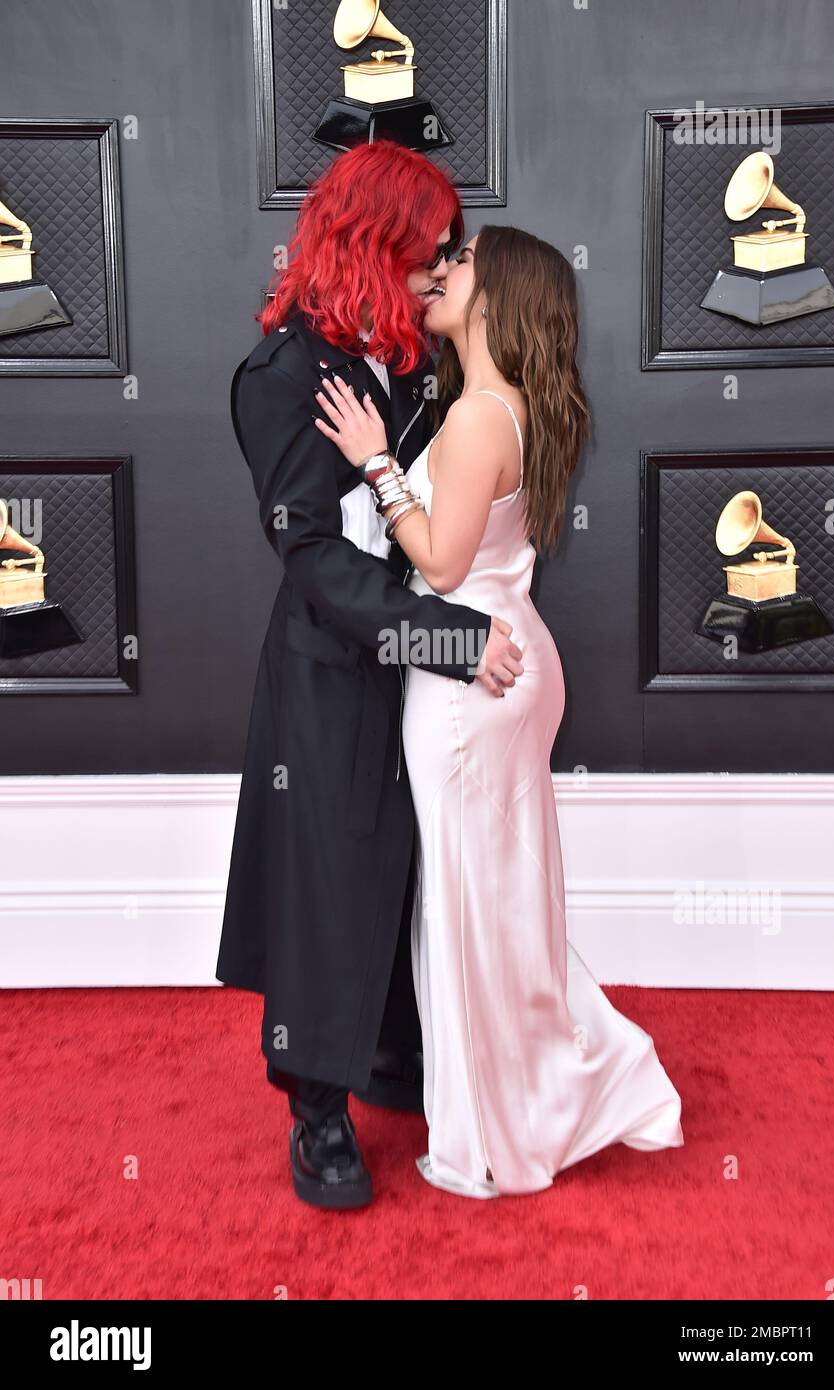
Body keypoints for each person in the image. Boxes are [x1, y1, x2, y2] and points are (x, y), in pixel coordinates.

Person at [314, 224, 685, 1198]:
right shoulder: (486, 403)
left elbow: (436, 563)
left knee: (471, 903)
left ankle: (505, 1122)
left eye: (460, 260)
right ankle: (556, 1083)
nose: (436, 271)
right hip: (498, 663)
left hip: (467, 681)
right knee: (496, 899)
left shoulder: (481, 415)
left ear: (499, 292)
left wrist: (372, 462)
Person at [216, 144, 524, 1212]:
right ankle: (315, 1110)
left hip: (407, 657)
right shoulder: (282, 373)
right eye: (427, 249)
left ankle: (390, 1049)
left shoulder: (396, 350)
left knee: (405, 862)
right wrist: (445, 634)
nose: (440, 268)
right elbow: (310, 556)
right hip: (329, 669)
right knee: (327, 879)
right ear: (374, 245)